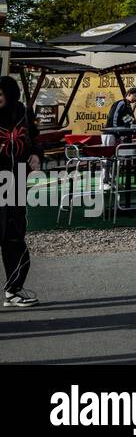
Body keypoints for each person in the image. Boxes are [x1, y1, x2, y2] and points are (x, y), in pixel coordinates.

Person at [0, 76, 42, 308]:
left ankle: (13, 289)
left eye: (1, 94)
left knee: (15, 236)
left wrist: (36, 154)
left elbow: (35, 139)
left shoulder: (24, 112)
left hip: (15, 182)